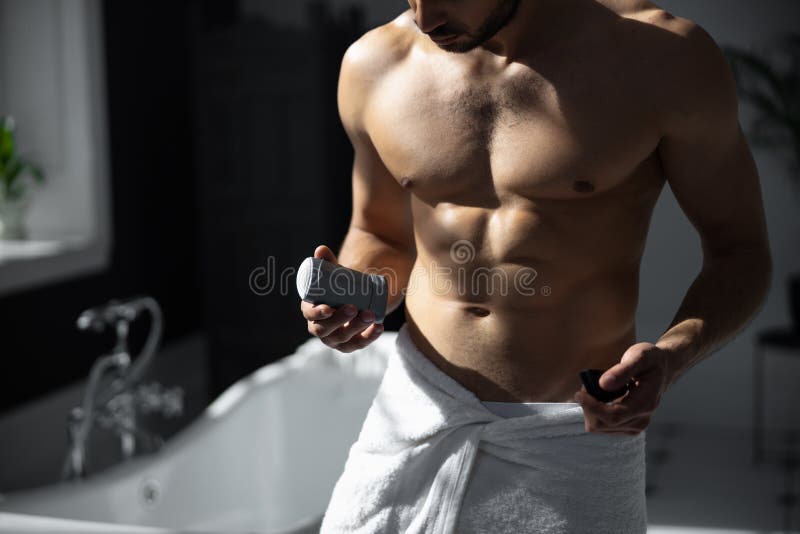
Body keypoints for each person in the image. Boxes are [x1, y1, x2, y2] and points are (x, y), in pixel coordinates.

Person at [300, 0, 772, 532]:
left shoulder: (662, 59)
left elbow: (740, 252)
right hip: (417, 415)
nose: (425, 18)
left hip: (573, 436)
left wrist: (673, 355)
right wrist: (358, 292)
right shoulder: (375, 64)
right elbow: (380, 233)